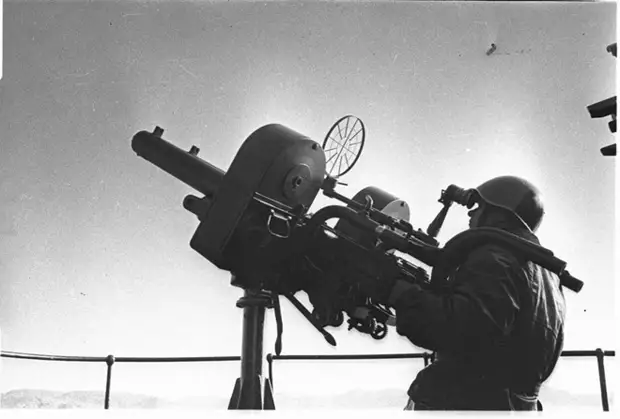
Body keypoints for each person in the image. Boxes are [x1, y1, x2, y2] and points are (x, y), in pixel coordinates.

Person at [363, 176, 566, 411]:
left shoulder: (497, 257)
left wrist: (401, 293)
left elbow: (462, 329)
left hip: (468, 399)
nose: (470, 214)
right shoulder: (548, 274)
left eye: (479, 207)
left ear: (499, 213)